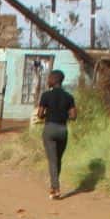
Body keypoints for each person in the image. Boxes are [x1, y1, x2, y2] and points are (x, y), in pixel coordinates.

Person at [36, 69, 77, 199]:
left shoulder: (46, 95)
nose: (48, 80)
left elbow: (40, 114)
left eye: (49, 78)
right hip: (63, 130)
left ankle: (56, 188)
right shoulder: (69, 97)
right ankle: (54, 187)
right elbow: (73, 116)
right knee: (58, 159)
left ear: (54, 80)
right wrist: (63, 115)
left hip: (50, 129)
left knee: (52, 160)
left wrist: (47, 114)